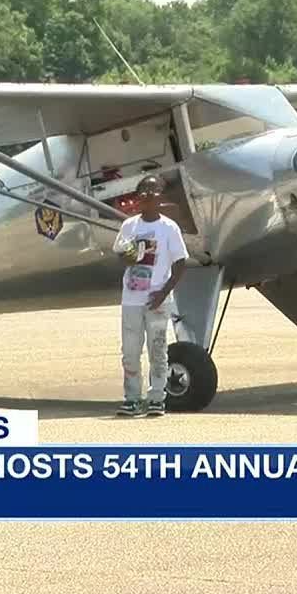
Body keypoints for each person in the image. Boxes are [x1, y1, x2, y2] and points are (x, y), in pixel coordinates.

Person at [113, 175, 188, 418]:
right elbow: (121, 255)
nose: (147, 194)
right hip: (131, 300)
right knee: (130, 352)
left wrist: (163, 293)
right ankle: (132, 399)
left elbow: (180, 263)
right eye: (143, 190)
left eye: (153, 190)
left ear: (161, 197)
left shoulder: (169, 228)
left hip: (157, 300)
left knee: (157, 351)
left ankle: (157, 398)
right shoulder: (129, 226)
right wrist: (128, 256)